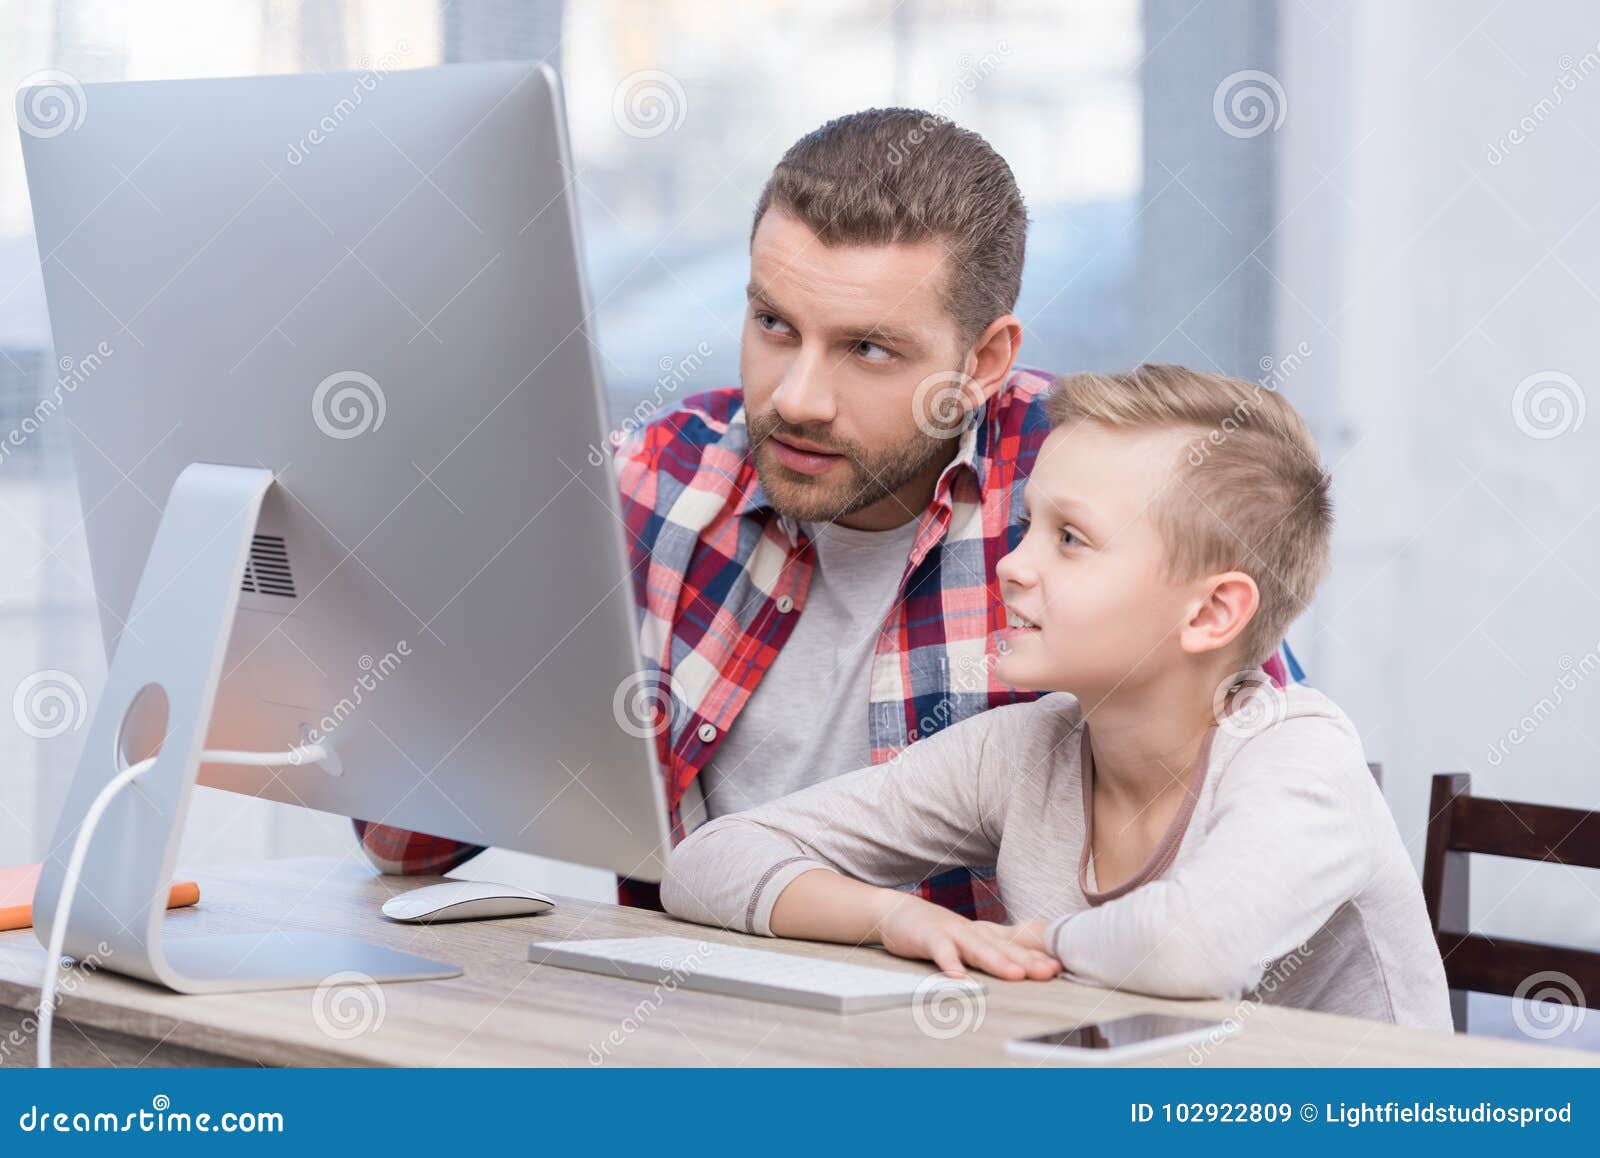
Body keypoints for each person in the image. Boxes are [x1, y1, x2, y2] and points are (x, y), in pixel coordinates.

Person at [355, 110, 1300, 916]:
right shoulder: (648, 488)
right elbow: (402, 848)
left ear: (983, 360)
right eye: (774, 325)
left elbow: (1274, 833)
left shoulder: (1104, 490)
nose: (797, 397)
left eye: (869, 350)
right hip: (689, 1043)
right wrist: (486, 620)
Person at [661, 365, 1452, 1029]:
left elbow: (1195, 945)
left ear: (1211, 613)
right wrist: (894, 916)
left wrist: (1043, 940)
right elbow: (705, 862)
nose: (1012, 565)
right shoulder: (1020, 752)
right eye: (1030, 523)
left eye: (1070, 539)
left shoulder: (1300, 753)